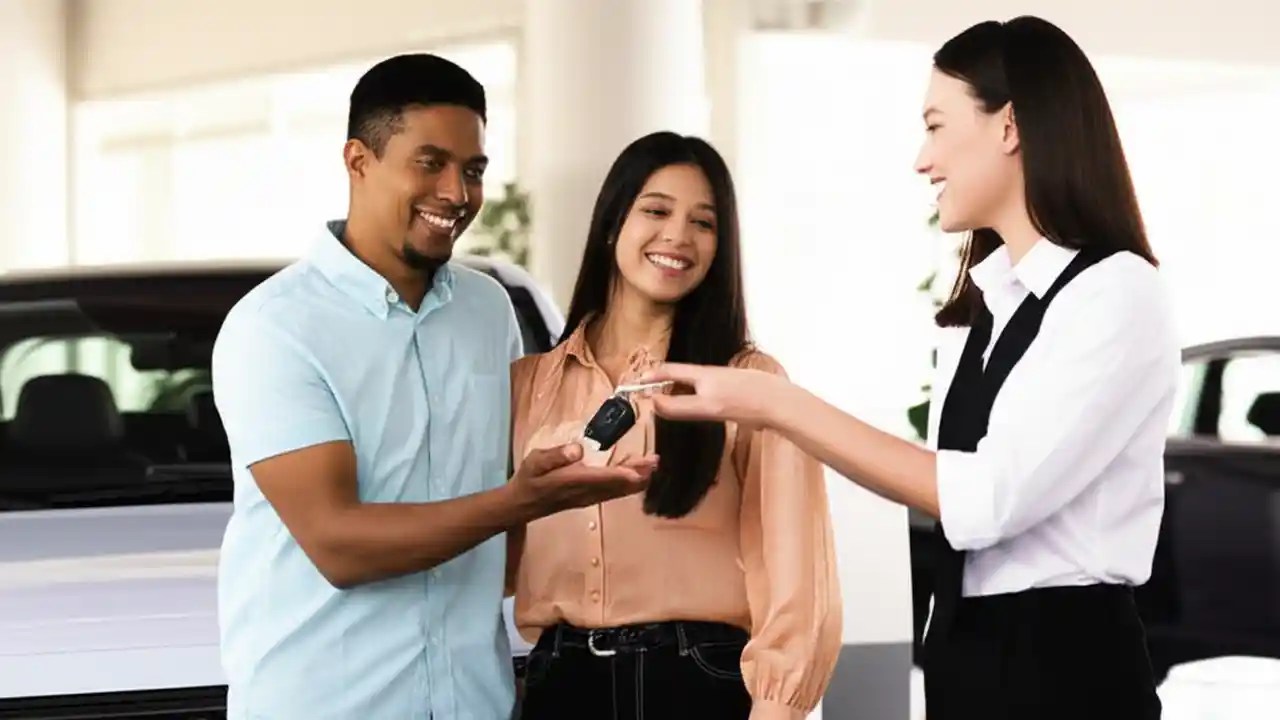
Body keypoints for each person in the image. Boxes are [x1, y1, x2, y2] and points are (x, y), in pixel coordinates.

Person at [640, 16, 1178, 720]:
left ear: (1009, 126)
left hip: (1065, 668)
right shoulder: (981, 312)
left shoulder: (1116, 291)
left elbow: (986, 501)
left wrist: (775, 404)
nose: (923, 160)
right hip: (965, 655)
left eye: (935, 126)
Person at [211, 53, 657, 720]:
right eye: (430, 163)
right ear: (358, 160)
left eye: (473, 169)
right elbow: (340, 544)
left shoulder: (487, 311)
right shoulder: (275, 329)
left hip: (474, 704)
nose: (458, 192)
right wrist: (521, 501)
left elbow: (508, 533)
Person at [506, 132, 842, 719]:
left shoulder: (749, 382)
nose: (678, 236)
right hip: (560, 681)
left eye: (704, 223)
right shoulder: (528, 385)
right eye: (656, 210)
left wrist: (777, 708)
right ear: (613, 222)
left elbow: (796, 584)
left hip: (695, 678)